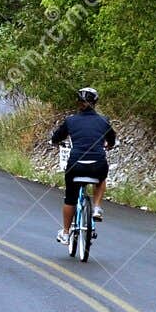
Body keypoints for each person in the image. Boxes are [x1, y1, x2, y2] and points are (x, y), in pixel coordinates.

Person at [49, 86, 116, 245]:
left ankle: (66, 233)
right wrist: (109, 145)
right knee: (100, 179)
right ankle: (97, 207)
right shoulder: (104, 121)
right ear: (96, 102)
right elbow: (112, 140)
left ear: (78, 103)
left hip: (76, 164)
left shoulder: (71, 121)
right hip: (97, 164)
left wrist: (55, 142)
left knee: (70, 198)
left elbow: (56, 138)